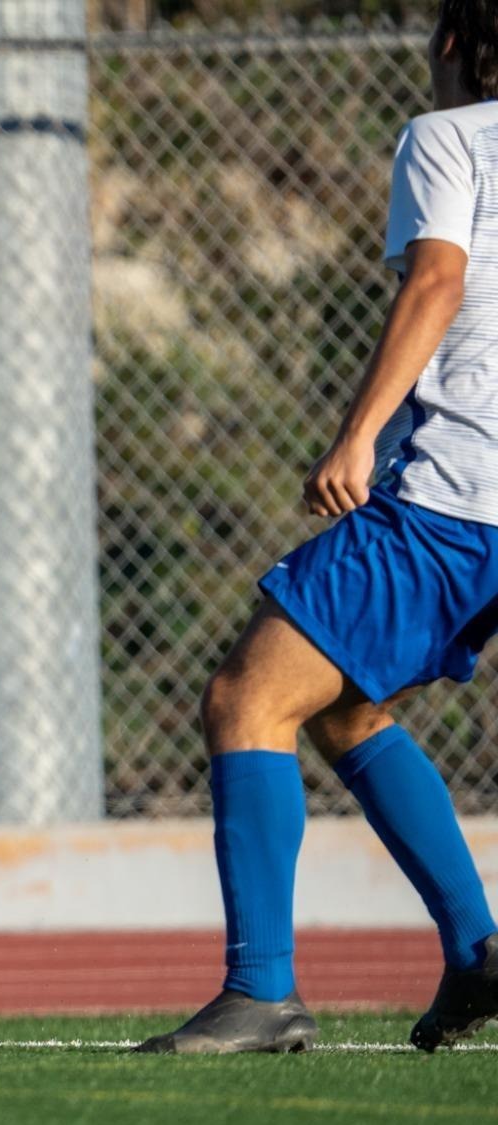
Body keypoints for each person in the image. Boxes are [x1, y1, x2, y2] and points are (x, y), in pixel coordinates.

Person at [137, 7, 498, 1054]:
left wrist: (356, 434)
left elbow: (436, 280)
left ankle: (259, 990)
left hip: (457, 496)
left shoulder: (449, 135)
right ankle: (477, 952)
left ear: (449, 46)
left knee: (245, 696)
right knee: (342, 705)